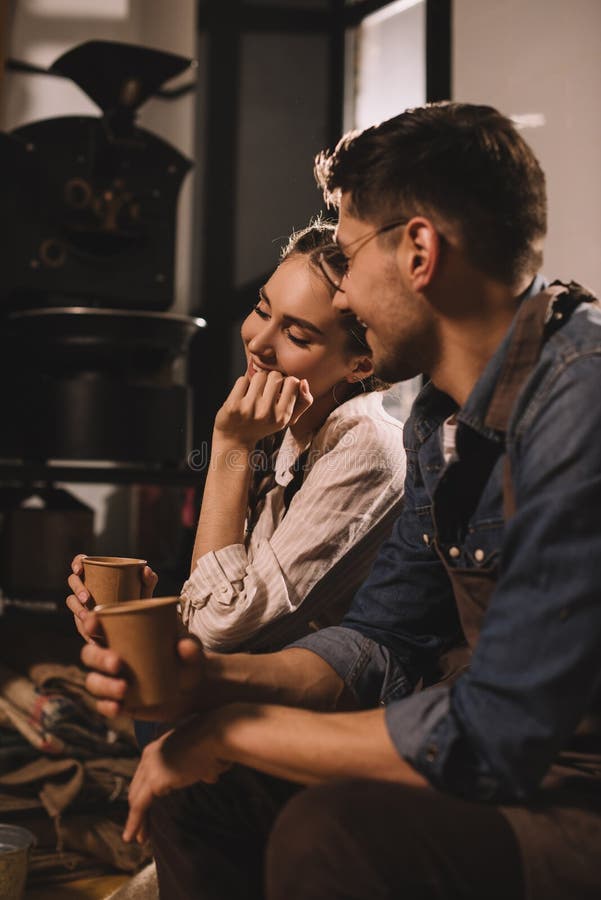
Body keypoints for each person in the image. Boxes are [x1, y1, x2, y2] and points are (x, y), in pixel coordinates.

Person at [81, 103, 601, 900]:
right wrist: (207, 684)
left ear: (419, 252)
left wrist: (231, 727)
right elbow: (380, 642)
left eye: (349, 256)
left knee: (331, 835)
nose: (345, 293)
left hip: (570, 793)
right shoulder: (443, 417)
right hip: (495, 760)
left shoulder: (579, 402)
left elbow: (499, 733)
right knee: (198, 786)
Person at [68, 220, 405, 653]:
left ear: (362, 364)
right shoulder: (292, 436)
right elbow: (222, 608)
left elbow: (220, 631)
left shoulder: (367, 448)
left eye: (296, 335)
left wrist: (231, 443)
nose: (258, 343)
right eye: (263, 311)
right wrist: (129, 616)